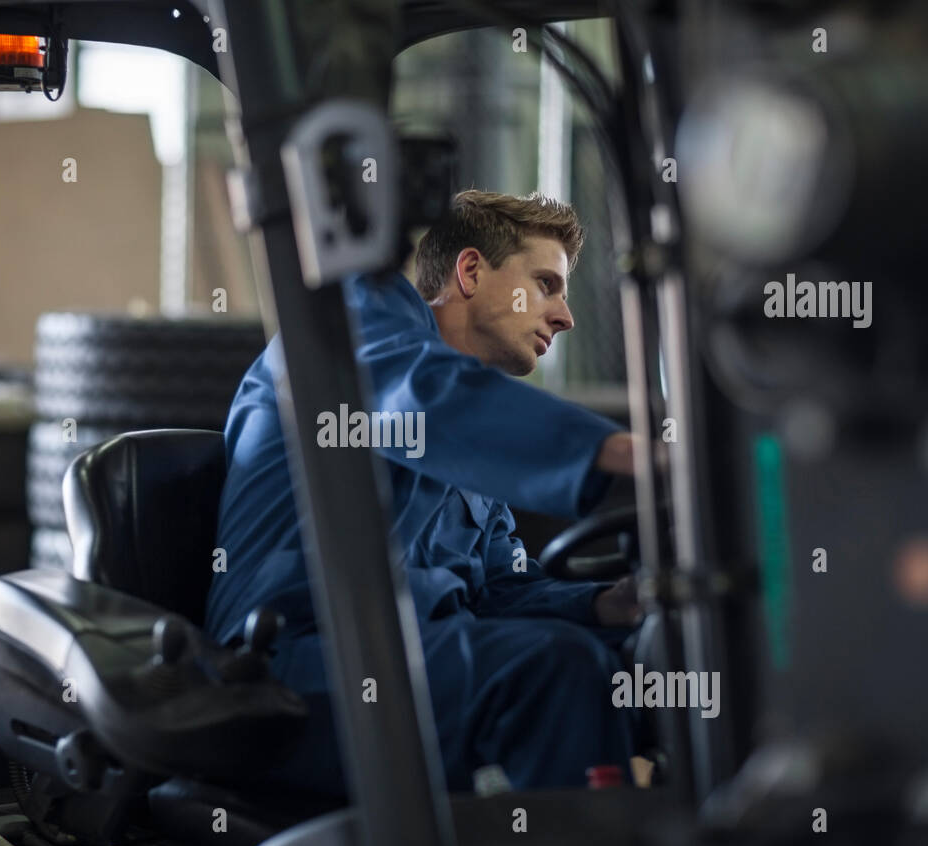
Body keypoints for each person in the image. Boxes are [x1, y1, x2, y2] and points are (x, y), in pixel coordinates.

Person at [205, 189, 645, 800]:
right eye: (546, 284)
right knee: (552, 670)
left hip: (404, 657)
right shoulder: (353, 326)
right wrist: (632, 454)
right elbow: (418, 398)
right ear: (470, 272)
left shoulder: (466, 432)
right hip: (288, 667)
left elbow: (498, 591)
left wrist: (610, 606)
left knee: (655, 657)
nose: (565, 316)